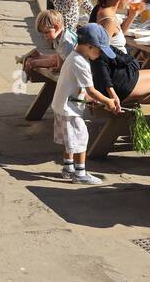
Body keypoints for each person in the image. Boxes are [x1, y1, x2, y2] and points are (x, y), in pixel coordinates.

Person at [50, 23, 121, 185]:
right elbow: (91, 90)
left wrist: (89, 100)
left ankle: (68, 168)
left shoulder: (73, 56)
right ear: (89, 46)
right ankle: (80, 173)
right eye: (100, 50)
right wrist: (108, 101)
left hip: (62, 105)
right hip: (69, 110)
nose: (101, 54)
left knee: (69, 140)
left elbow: (76, 87)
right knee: (81, 138)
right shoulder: (80, 62)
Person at [22, 8, 76, 77]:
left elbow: (65, 61)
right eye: (43, 33)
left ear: (56, 27)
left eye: (46, 32)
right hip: (68, 58)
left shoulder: (66, 41)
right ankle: (38, 57)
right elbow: (59, 53)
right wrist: (59, 66)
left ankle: (33, 63)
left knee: (54, 60)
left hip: (73, 64)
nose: (45, 36)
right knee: (55, 57)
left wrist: (59, 67)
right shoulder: (59, 35)